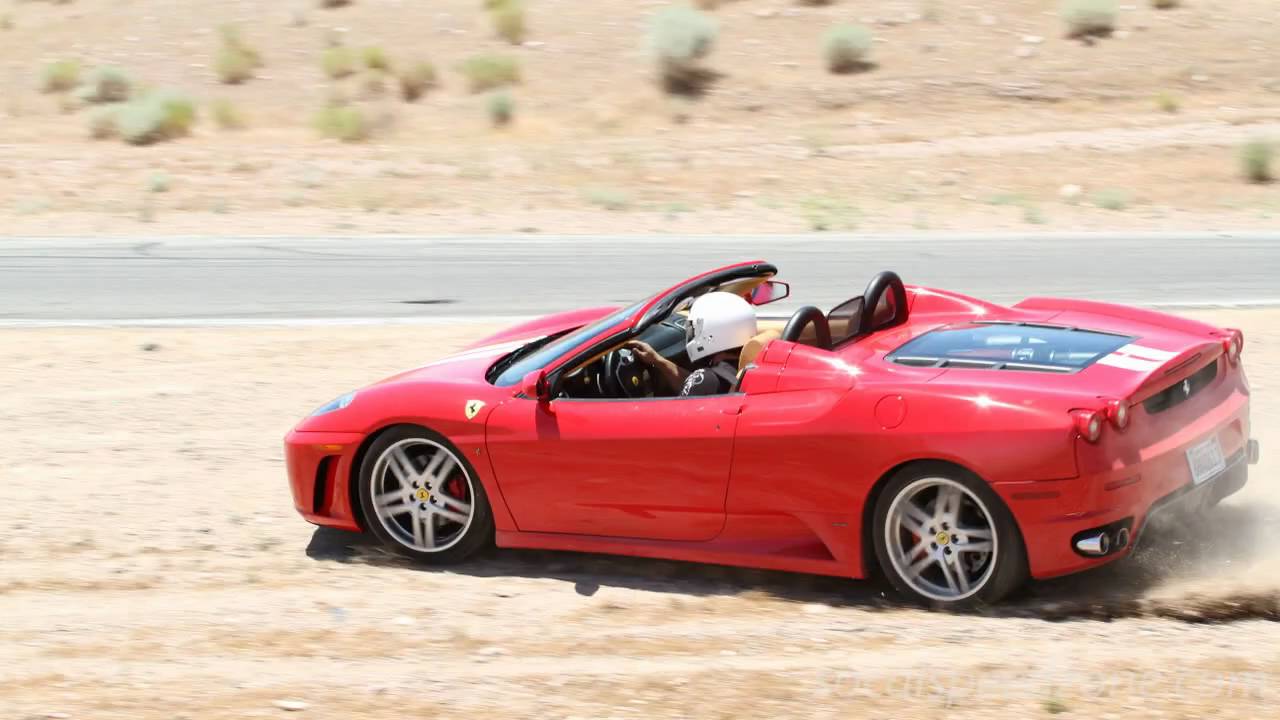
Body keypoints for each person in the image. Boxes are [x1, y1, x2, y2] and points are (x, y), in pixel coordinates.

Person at [626, 291, 758, 397]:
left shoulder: (706, 380)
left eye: (694, 328)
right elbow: (695, 383)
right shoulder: (741, 370)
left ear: (712, 333)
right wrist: (659, 361)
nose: (692, 333)